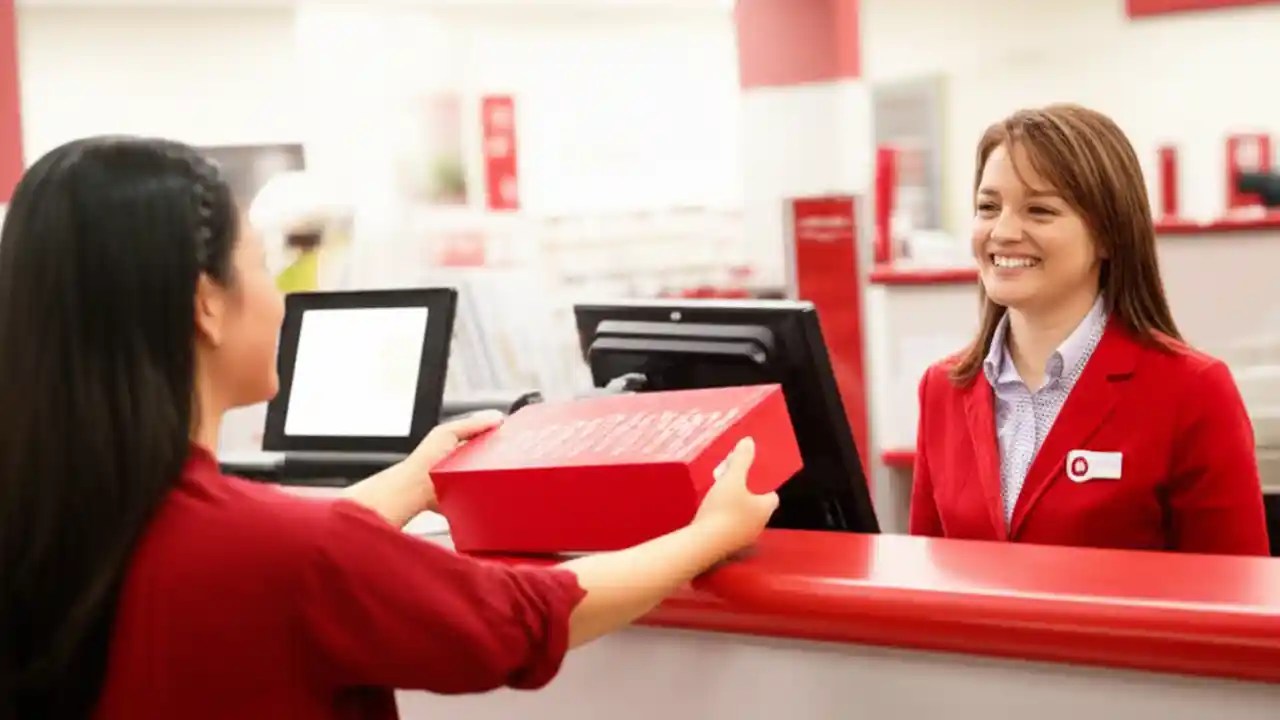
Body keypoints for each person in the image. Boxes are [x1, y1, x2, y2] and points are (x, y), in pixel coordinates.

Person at [0, 137, 779, 720]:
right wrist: (710, 534)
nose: (276, 296)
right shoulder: (285, 555)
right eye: (262, 264)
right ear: (206, 303)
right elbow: (530, 616)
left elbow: (252, 568)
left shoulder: (56, 530)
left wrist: (410, 482)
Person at [909, 104, 1270, 555]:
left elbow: (1235, 603)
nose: (1002, 231)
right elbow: (922, 584)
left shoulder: (1192, 392)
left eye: (1039, 210)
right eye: (988, 207)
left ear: (1106, 235)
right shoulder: (942, 389)